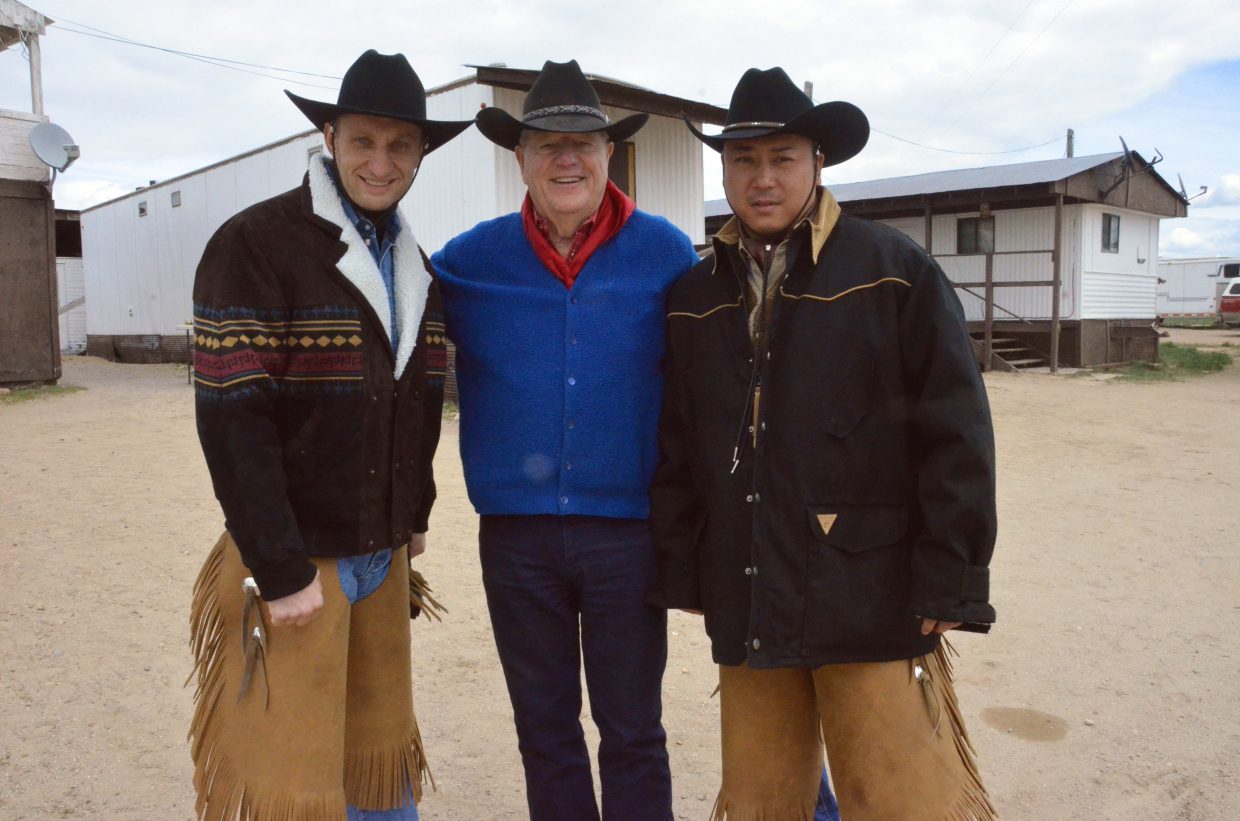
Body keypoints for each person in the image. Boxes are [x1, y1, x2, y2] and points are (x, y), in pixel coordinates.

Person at [650, 67, 999, 820]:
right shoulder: (694, 294)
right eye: (744, 160)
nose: (763, 178)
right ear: (724, 169)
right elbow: (680, 441)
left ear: (818, 162)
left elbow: (957, 428)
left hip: (869, 587)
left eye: (782, 158)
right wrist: (687, 564)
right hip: (748, 589)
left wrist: (953, 572)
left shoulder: (893, 271)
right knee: (761, 797)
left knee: (894, 795)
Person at [186, 50, 471, 821]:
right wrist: (277, 568)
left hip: (378, 560)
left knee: (378, 780)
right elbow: (230, 416)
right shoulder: (254, 244)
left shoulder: (415, 263)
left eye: (400, 146)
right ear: (330, 136)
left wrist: (414, 515)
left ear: (420, 153)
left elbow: (419, 399)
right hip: (297, 561)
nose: (381, 163)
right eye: (363, 142)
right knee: (296, 788)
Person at [431, 60, 699, 821]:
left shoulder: (669, 255)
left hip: (628, 538)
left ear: (610, 154)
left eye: (584, 142)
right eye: (547, 143)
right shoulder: (468, 263)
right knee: (544, 729)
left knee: (633, 730)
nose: (567, 158)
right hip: (516, 543)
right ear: (519, 159)